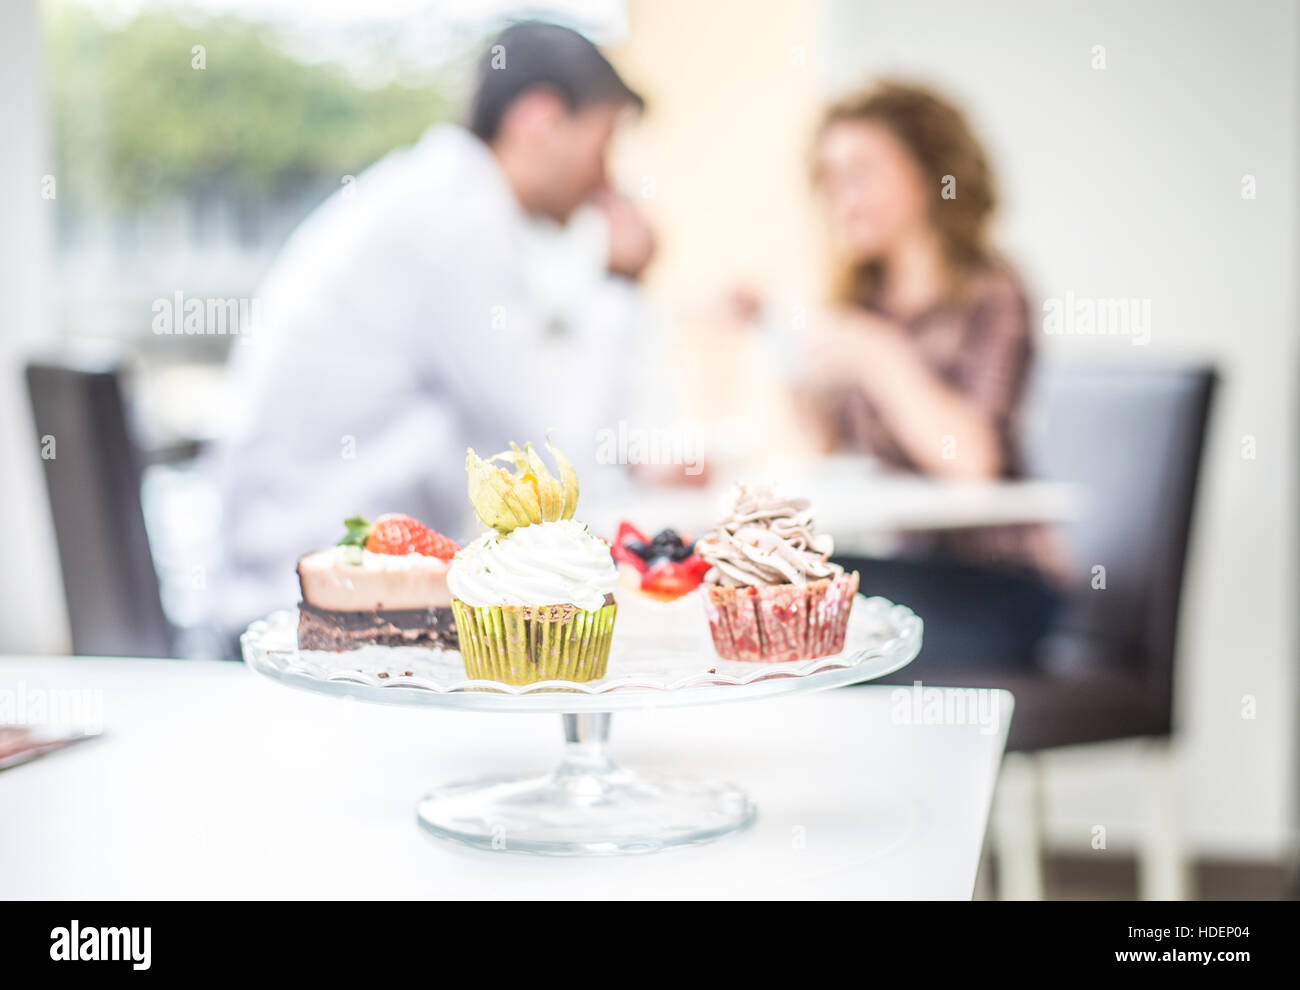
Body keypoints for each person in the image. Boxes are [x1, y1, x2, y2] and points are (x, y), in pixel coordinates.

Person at [205, 22, 654, 647]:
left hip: (294, 593)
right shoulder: (460, 224)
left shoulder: (434, 196)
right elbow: (553, 457)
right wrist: (619, 283)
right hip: (311, 622)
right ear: (540, 118)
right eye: (602, 142)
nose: (606, 181)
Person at [793, 80, 1065, 670]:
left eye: (861, 174)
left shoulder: (992, 294)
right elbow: (819, 452)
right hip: (912, 573)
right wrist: (779, 355)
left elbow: (970, 461)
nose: (843, 199)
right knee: (775, 602)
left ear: (931, 173)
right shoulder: (864, 302)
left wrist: (878, 354)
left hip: (998, 587)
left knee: (809, 627)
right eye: (831, 179)